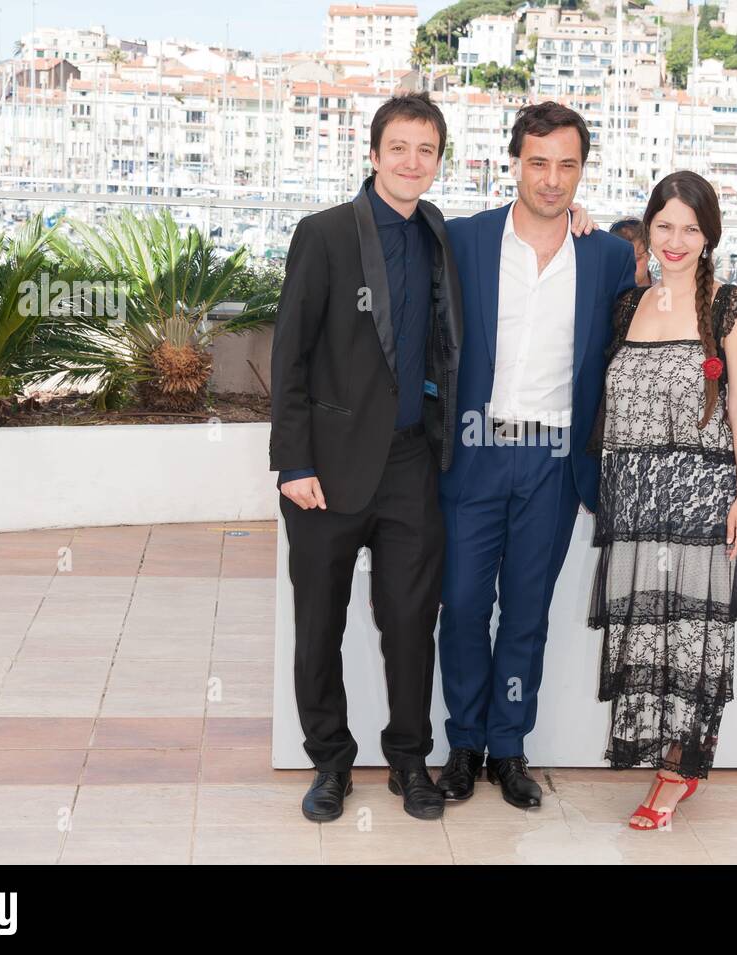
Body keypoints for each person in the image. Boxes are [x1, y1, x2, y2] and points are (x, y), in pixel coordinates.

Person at [434, 102, 637, 810]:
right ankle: (463, 744)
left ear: (583, 170)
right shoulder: (465, 240)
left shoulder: (609, 255)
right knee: (461, 605)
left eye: (567, 165)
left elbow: (639, 338)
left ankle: (509, 746)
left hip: (554, 459)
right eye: (539, 162)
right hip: (473, 452)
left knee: (525, 611)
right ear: (514, 162)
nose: (552, 179)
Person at [270, 92, 461, 823]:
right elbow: (290, 353)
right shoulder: (323, 235)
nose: (413, 162)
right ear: (374, 152)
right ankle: (330, 762)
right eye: (401, 147)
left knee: (412, 621)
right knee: (320, 623)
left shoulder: (439, 233)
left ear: (438, 161)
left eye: (427, 150)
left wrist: (578, 222)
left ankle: (410, 759)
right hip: (325, 469)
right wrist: (293, 463)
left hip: (413, 465)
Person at [587, 170, 737, 830]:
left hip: (701, 500)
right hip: (633, 500)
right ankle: (668, 760)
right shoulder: (630, 306)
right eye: (665, 226)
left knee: (692, 635)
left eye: (691, 228)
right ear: (648, 230)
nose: (677, 239)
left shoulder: (731, 308)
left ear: (709, 234)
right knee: (645, 634)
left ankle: (676, 771)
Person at [609, 217, 653, 287]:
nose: (628, 268)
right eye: (621, 262)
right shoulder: (603, 294)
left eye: (635, 260)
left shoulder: (668, 293)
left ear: (648, 255)